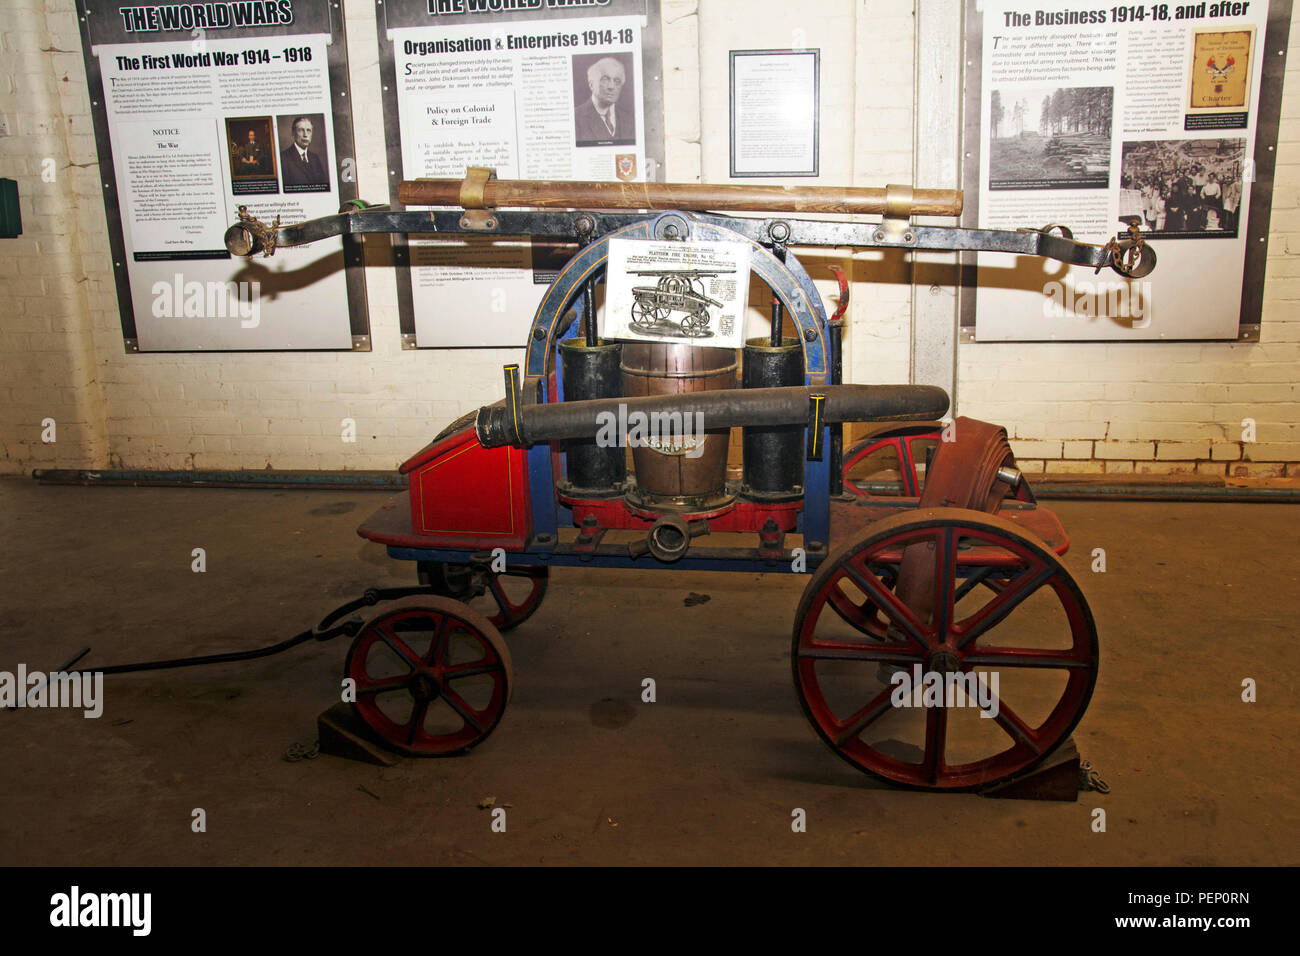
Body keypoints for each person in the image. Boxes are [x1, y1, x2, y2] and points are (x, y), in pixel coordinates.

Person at [575, 57, 634, 146]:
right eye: (605, 79)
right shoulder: (576, 117)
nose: (611, 87)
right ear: (591, 84)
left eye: (617, 81)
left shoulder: (630, 119)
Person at [280, 116, 329, 189]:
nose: (305, 135)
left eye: (308, 130)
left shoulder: (315, 158)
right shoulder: (283, 158)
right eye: (301, 130)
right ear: (293, 133)